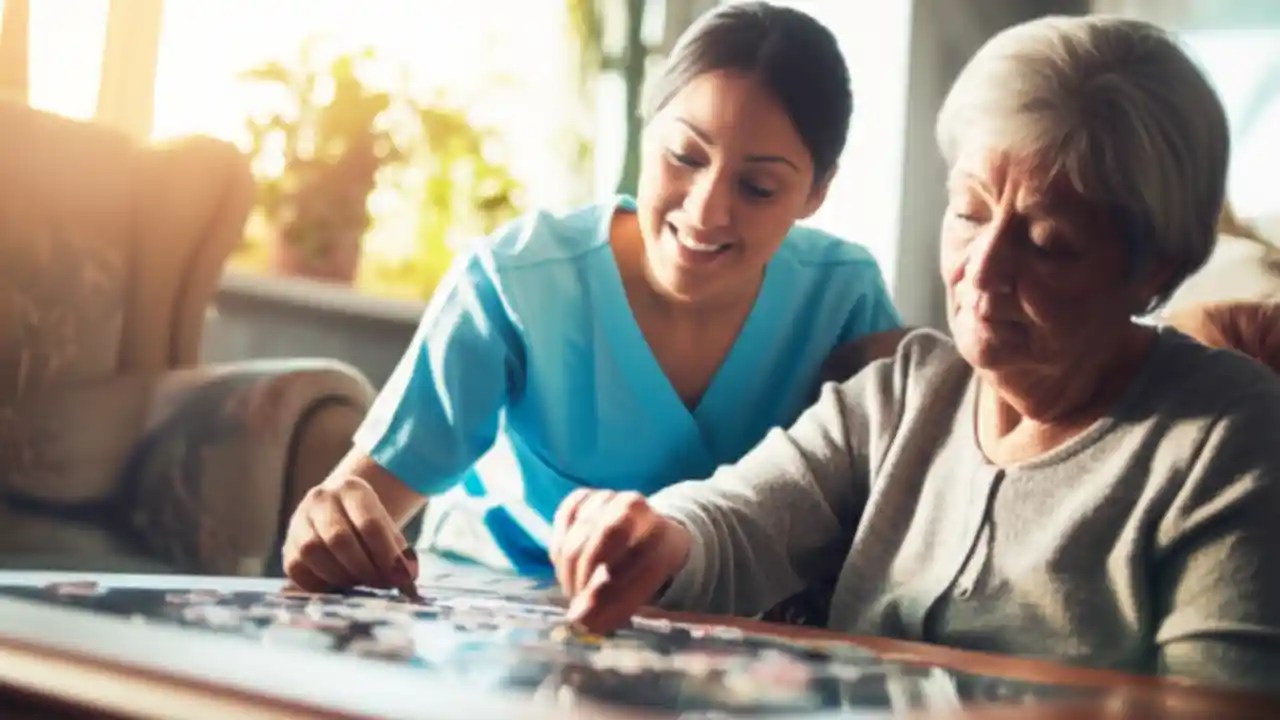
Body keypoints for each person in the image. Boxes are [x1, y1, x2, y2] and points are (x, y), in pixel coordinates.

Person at [549, 15, 1280, 693]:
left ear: (1152, 267)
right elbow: (740, 516)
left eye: (1048, 242)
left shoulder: (1228, 441)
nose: (981, 270)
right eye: (967, 212)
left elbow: (1219, 703)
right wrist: (660, 538)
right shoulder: (905, 391)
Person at [281, 1, 900, 591]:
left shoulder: (843, 301)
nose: (706, 210)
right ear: (646, 123)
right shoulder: (517, 280)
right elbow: (359, 499)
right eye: (684, 156)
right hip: (494, 616)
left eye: (759, 188)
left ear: (816, 193)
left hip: (728, 649)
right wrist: (328, 529)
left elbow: (895, 517)